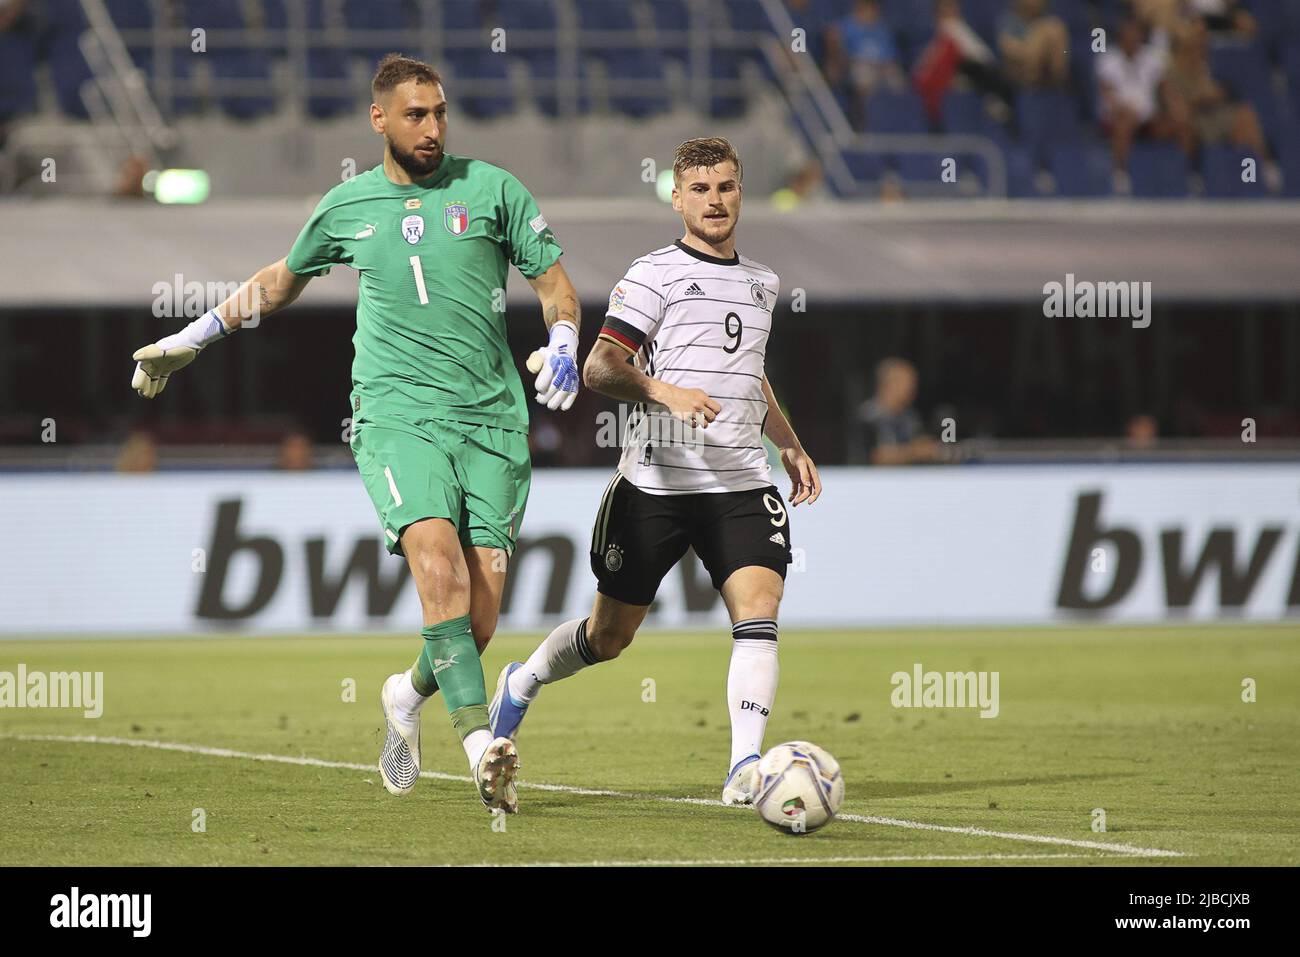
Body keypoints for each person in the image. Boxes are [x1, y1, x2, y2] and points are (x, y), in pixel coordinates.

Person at [128, 53, 583, 814]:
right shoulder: (348, 205)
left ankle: (404, 694)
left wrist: (565, 339)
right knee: (436, 563)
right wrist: (197, 334)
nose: (432, 127)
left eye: (439, 112)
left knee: (478, 619)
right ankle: (481, 748)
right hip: (396, 416)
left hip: (492, 422)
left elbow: (555, 286)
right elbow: (280, 280)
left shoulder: (494, 190)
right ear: (379, 119)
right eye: (415, 114)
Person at [488, 137, 823, 806]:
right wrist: (666, 392)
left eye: (726, 186)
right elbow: (600, 367)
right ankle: (521, 683)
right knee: (608, 637)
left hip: (739, 485)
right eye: (700, 189)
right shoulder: (652, 275)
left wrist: (786, 440)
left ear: (741, 191)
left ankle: (743, 767)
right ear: (677, 198)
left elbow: (748, 374)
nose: (715, 200)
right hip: (655, 487)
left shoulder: (763, 282)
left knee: (759, 612)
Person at [1096, 18, 1170, 179]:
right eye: (1128, 35)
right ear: (1121, 37)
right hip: (1119, 113)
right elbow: (1107, 94)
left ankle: (1184, 172)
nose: (1132, 39)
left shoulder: (1152, 58)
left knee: (1179, 121)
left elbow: (1165, 89)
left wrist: (1172, 106)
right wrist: (1124, 109)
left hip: (1148, 114)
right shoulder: (1108, 59)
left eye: (1135, 35)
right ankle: (1120, 173)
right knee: (1125, 123)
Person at [858, 357, 939, 465]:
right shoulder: (868, 416)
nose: (913, 388)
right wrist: (914, 452)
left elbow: (921, 444)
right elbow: (877, 457)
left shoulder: (909, 417)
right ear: (890, 383)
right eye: (908, 382)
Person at [998, 0, 1069, 91]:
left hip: (1050, 84)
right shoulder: (1009, 21)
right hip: (1018, 83)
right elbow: (1007, 48)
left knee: (1054, 29)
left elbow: (1062, 57)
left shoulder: (1052, 24)